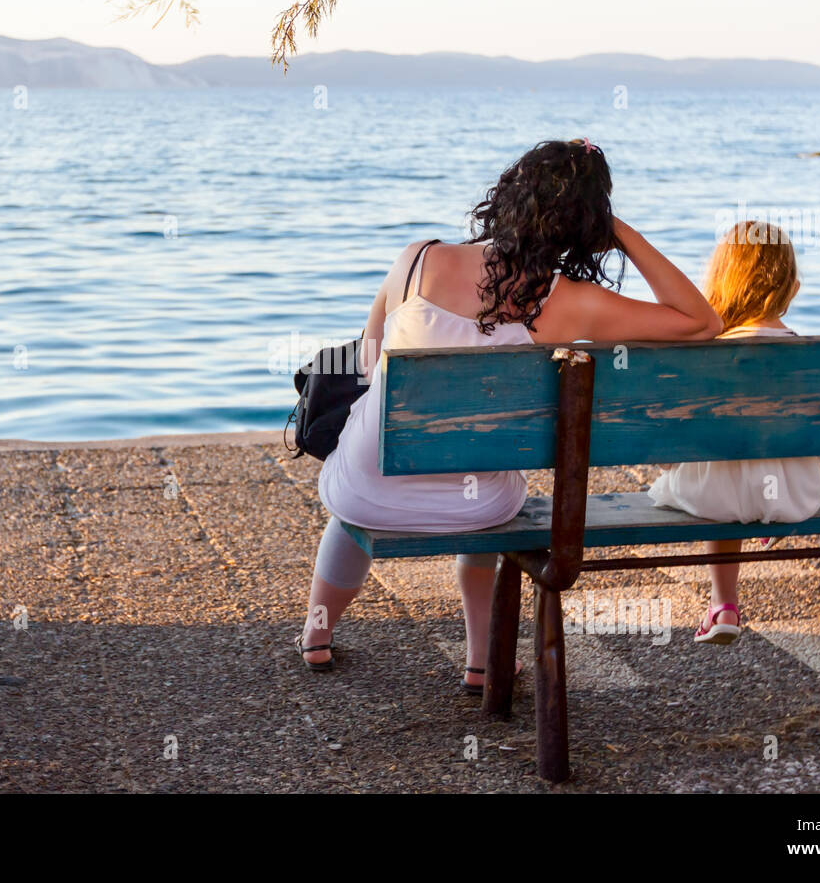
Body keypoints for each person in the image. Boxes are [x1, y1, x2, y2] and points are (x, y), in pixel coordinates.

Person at [296, 139, 723, 690]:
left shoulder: (417, 260)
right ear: (583, 225)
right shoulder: (574, 303)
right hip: (477, 506)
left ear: (508, 195)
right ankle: (480, 660)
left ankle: (316, 635)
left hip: (368, 488)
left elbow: (368, 361)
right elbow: (701, 322)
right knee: (484, 487)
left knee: (350, 505)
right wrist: (619, 231)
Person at [648, 221, 820, 645]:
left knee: (722, 484)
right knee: (752, 476)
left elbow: (668, 455)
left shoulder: (707, 356)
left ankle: (723, 605)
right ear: (790, 286)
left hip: (716, 498)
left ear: (722, 281)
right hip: (794, 497)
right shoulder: (815, 357)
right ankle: (766, 512)